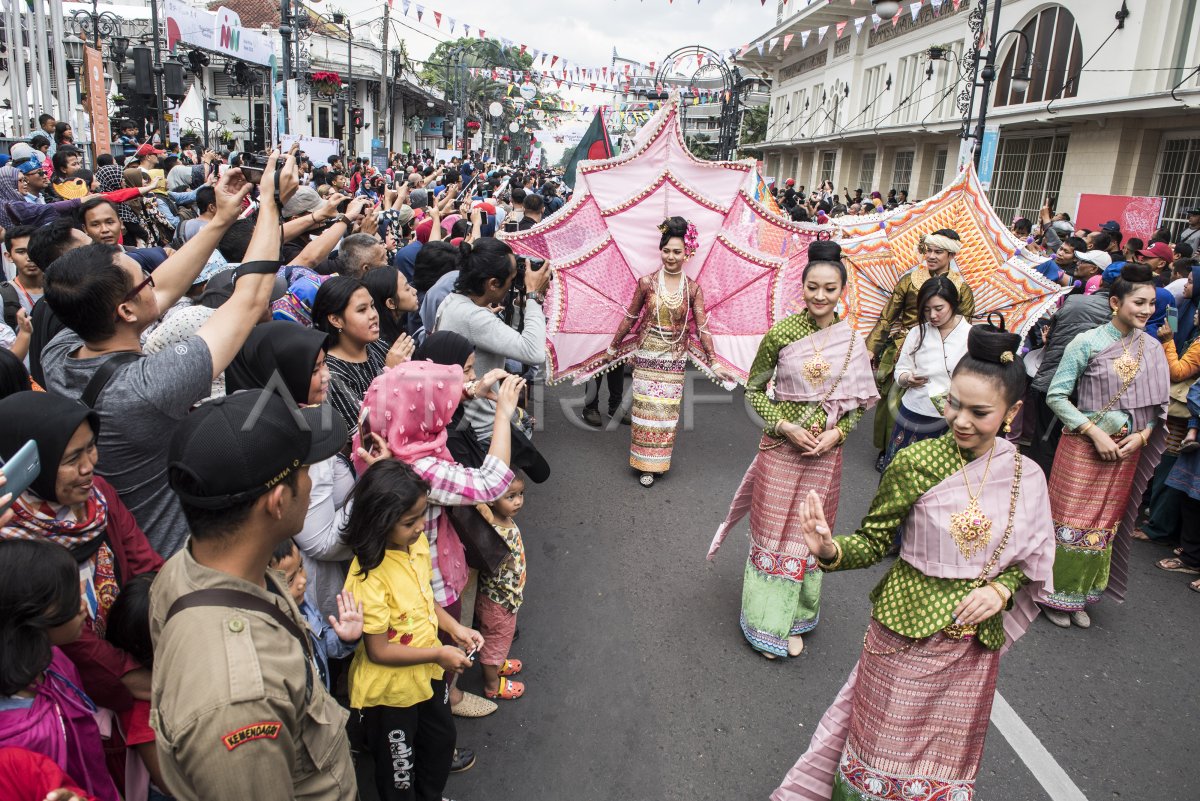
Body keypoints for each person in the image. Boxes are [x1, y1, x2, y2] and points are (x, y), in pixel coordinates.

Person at [771, 324, 1056, 801]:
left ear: (1013, 413)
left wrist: (1001, 590)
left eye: (979, 412)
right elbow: (875, 540)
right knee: (878, 750)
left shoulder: (1026, 475)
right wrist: (829, 550)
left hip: (972, 645)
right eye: (953, 404)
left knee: (943, 759)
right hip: (904, 629)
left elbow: (1027, 556)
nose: (961, 420)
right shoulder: (913, 462)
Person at [41, 156, 294, 558]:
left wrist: (221, 219)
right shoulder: (147, 386)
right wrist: (272, 204)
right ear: (124, 311)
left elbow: (158, 292)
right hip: (165, 561)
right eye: (142, 278)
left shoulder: (59, 350)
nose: (152, 282)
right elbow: (249, 301)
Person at [150, 389, 356, 799]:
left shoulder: (183, 570)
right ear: (277, 502)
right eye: (305, 470)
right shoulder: (239, 700)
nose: (310, 480)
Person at [709, 240, 878, 659]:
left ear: (843, 291)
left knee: (810, 535)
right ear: (800, 288)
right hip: (781, 452)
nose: (820, 296)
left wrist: (837, 436)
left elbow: (857, 407)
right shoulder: (781, 334)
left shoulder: (853, 343)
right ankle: (766, 625)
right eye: (812, 287)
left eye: (830, 289)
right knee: (773, 533)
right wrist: (784, 425)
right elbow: (753, 390)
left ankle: (797, 615)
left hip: (826, 456)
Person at [0, 392, 166, 792]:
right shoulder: (11, 543)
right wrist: (138, 677)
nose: (90, 466)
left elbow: (144, 562)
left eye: (92, 449)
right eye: (72, 458)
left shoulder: (99, 498)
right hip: (78, 696)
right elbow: (73, 644)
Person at [341, 459, 485, 801]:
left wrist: (455, 628)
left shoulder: (415, 545)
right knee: (399, 771)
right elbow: (379, 650)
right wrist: (438, 652)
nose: (422, 526)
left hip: (428, 676)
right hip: (391, 695)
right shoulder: (368, 576)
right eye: (410, 522)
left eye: (422, 514)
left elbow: (426, 600)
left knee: (439, 744)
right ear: (379, 522)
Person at [1042, 263, 1169, 628]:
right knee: (1070, 521)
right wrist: (1094, 433)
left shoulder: (1154, 349)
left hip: (1127, 451)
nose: (1146, 310)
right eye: (1138, 302)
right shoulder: (1087, 342)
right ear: (1116, 301)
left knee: (1103, 524)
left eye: (1151, 303)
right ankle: (1052, 593)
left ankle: (1079, 595)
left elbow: (1154, 408)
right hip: (1083, 446)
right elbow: (1057, 395)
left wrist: (1142, 437)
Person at [605, 216, 736, 487]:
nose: (671, 256)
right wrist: (613, 347)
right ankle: (642, 462)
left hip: (675, 360)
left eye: (677, 251)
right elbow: (630, 317)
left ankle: (658, 463)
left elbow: (702, 327)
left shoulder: (693, 289)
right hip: (647, 357)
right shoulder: (647, 283)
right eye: (666, 251)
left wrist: (715, 362)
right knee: (644, 413)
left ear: (688, 253)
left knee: (666, 415)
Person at [0, 539, 119, 801]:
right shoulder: (14, 738)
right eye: (68, 598)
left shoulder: (54, 660)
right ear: (32, 616)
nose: (82, 606)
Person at [866, 229, 975, 471]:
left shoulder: (961, 288)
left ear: (951, 254)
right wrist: (871, 348)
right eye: (929, 251)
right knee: (892, 401)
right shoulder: (909, 279)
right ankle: (887, 449)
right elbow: (887, 317)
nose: (932, 256)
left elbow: (964, 324)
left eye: (938, 252)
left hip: (943, 351)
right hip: (903, 345)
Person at [434, 239, 549, 440]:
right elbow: (534, 353)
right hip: (485, 429)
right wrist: (534, 296)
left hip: (468, 417)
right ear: (493, 283)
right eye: (513, 279)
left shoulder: (453, 301)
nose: (517, 282)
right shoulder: (474, 317)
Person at [884, 276, 971, 470]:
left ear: (953, 303)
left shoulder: (971, 336)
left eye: (939, 308)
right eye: (926, 309)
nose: (932, 315)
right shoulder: (917, 332)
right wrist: (908, 379)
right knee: (899, 472)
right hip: (913, 410)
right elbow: (901, 370)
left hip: (951, 417)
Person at [312, 275, 414, 442]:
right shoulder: (331, 374)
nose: (373, 314)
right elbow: (365, 437)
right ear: (336, 320)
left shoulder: (376, 345)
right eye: (361, 310)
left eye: (372, 306)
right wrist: (389, 376)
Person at [268, 538, 362, 689]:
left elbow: (323, 645)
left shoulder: (306, 606)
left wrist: (345, 639)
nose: (303, 580)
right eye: (291, 579)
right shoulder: (270, 633)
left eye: (301, 567)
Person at [476, 473, 529, 699]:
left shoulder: (504, 518)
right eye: (510, 497)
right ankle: (492, 685)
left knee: (500, 639)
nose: (518, 501)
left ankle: (497, 664)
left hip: (506, 598)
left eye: (520, 494)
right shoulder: (492, 532)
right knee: (494, 643)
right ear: (490, 500)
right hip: (498, 602)